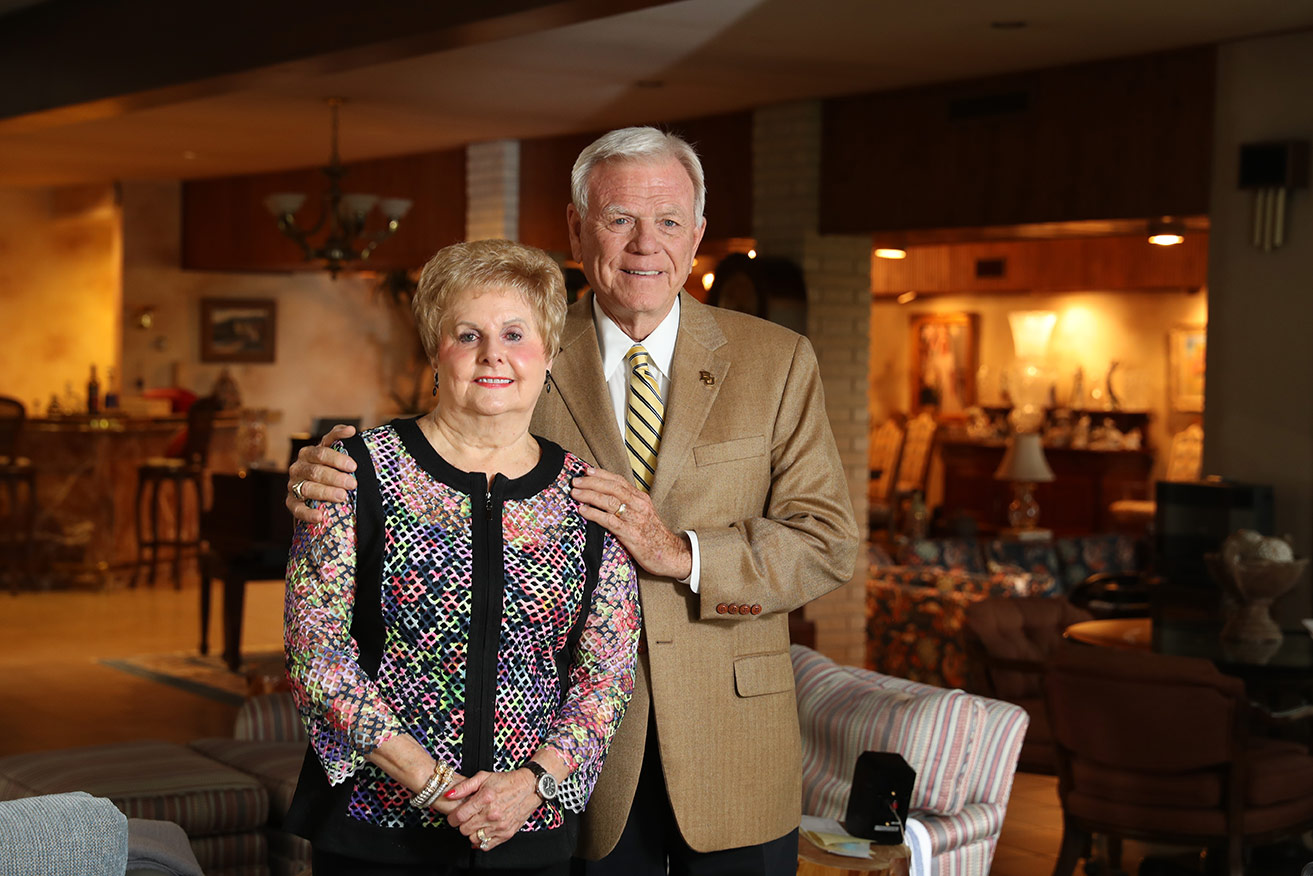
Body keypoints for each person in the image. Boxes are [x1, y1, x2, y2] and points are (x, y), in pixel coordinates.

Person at [289, 128, 859, 876]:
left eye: (667, 220)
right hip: (566, 768)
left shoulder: (777, 362)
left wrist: (680, 553)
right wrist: (313, 478)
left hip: (730, 739)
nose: (643, 243)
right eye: (619, 217)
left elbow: (825, 542)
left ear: (698, 234)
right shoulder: (524, 342)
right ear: (575, 227)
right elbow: (423, 470)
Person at [282, 238, 641, 876]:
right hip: (377, 828)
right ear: (434, 348)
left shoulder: (588, 497)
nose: (493, 354)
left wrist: (532, 785)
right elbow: (317, 650)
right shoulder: (355, 473)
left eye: (515, 333)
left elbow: (606, 677)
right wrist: (431, 784)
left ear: (551, 351)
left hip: (526, 832)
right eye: (468, 333)